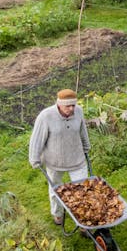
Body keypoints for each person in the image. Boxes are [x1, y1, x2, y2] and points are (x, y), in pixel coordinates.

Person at [29, 88, 91, 225]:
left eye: (73, 105)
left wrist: (86, 147)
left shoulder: (78, 111)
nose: (71, 109)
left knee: (83, 191)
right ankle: (58, 214)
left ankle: (82, 221)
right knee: (56, 192)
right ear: (59, 104)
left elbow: (82, 131)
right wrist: (34, 158)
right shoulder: (46, 116)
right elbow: (37, 139)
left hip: (77, 159)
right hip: (54, 162)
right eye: (67, 106)